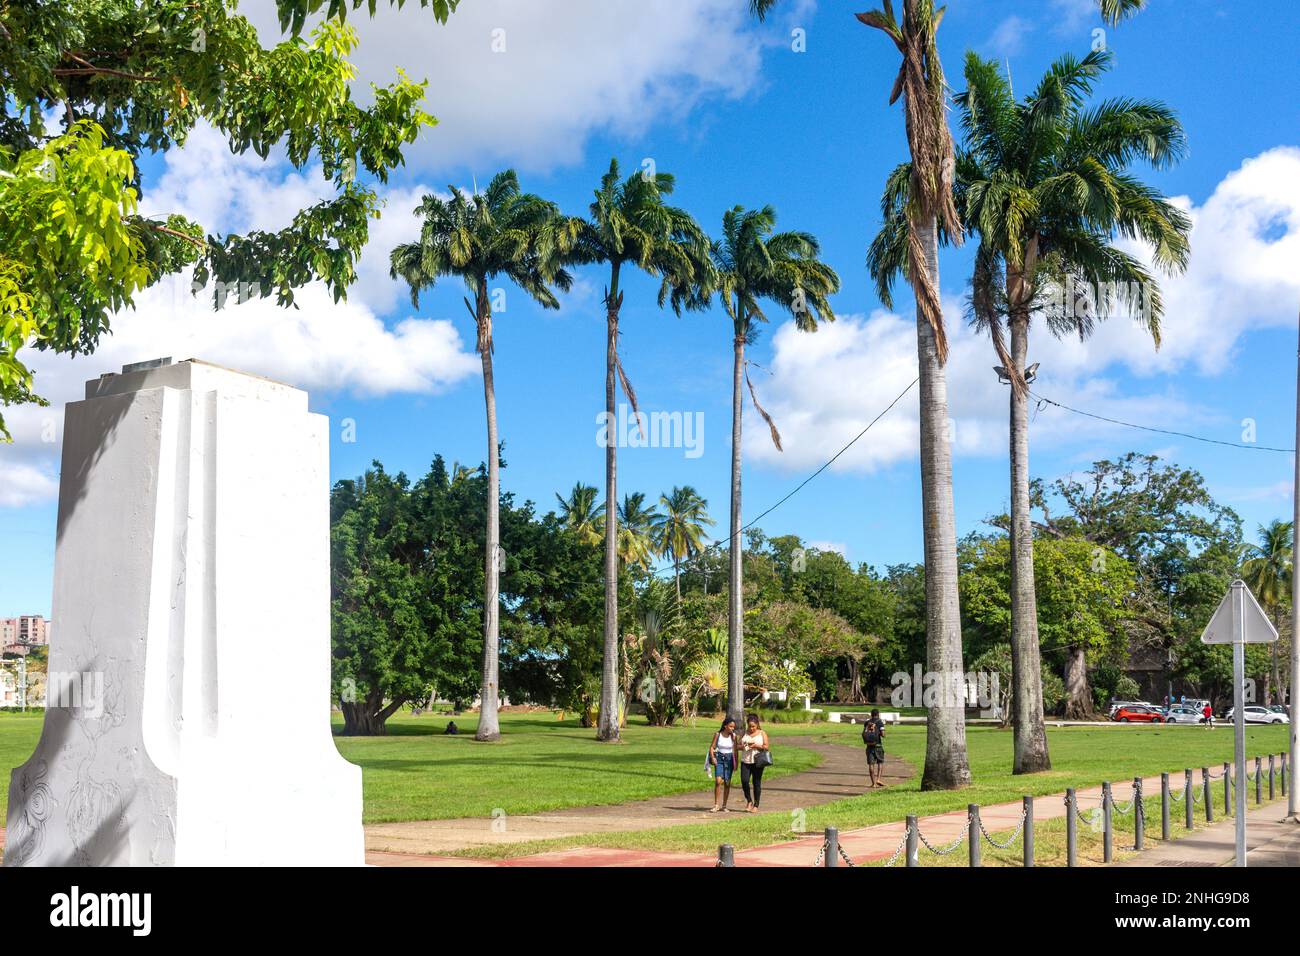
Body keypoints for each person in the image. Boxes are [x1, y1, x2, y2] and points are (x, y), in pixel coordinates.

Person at [739, 714, 770, 813]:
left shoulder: (762, 733)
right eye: (750, 726)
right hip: (745, 761)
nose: (751, 728)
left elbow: (766, 747)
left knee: (756, 783)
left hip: (757, 761)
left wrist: (756, 746)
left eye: (753, 726)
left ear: (757, 725)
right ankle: (749, 801)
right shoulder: (744, 733)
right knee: (744, 781)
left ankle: (756, 804)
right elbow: (737, 746)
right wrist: (743, 746)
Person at [709, 717, 740, 812]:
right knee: (718, 781)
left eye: (733, 727)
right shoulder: (718, 735)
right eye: (730, 726)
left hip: (729, 759)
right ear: (725, 726)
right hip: (719, 758)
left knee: (727, 783)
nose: (732, 728)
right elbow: (712, 747)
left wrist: (736, 763)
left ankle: (724, 805)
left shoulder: (733, 736)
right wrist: (713, 757)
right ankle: (716, 805)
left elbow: (735, 750)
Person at [862, 708, 886, 788]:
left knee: (871, 764)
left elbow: (865, 733)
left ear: (871, 714)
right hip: (878, 746)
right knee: (880, 762)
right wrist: (883, 733)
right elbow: (883, 734)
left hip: (869, 746)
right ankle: (878, 779)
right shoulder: (879, 722)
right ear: (878, 714)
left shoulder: (867, 723)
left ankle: (873, 783)